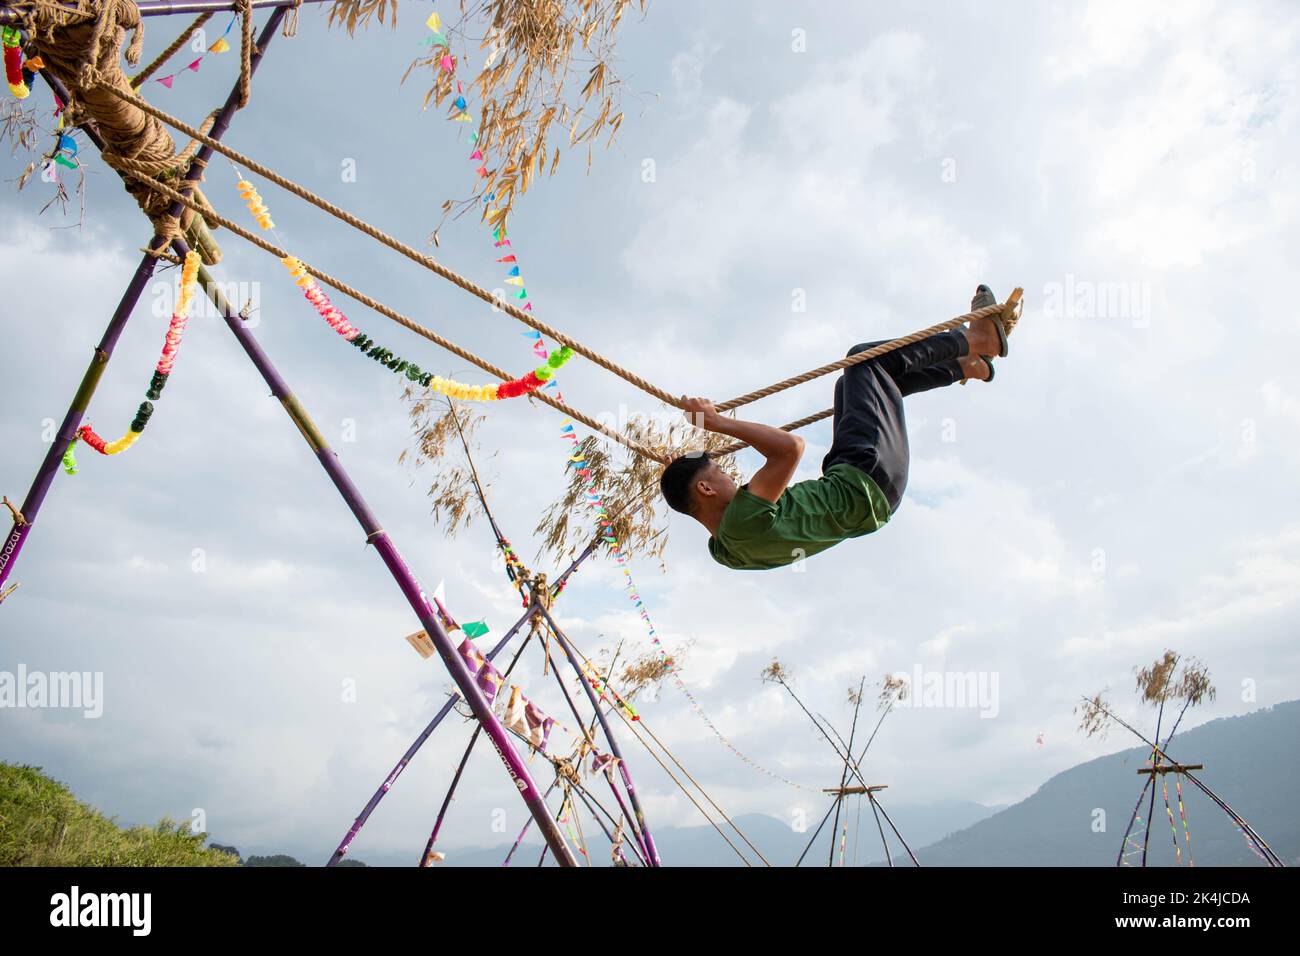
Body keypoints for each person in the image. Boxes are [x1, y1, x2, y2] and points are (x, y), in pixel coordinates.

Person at [659, 286, 1011, 571]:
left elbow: (698, 500)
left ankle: (968, 367)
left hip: (863, 487)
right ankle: (977, 341)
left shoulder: (726, 551)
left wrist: (677, 470)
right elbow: (790, 448)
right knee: (864, 361)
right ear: (705, 488)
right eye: (719, 472)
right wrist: (717, 422)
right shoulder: (740, 523)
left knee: (856, 387)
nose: (730, 477)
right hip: (867, 477)